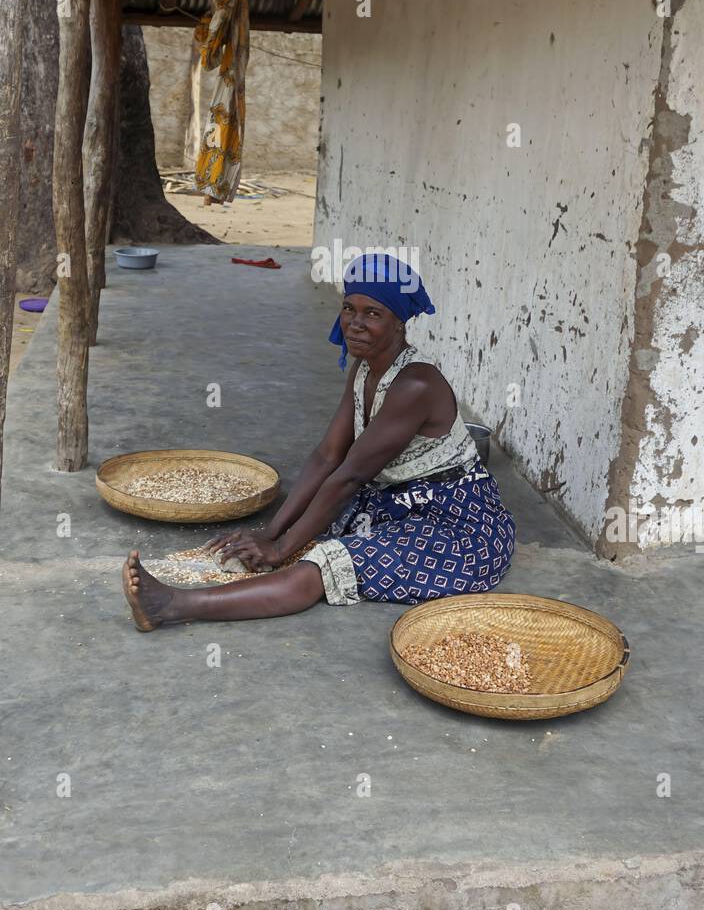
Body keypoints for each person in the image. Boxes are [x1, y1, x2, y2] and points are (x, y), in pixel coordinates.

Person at [122, 254, 515, 631]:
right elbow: (328, 455)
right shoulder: (364, 369)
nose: (355, 324)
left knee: (323, 562)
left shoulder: (415, 385)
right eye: (349, 309)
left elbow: (350, 475)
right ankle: (267, 558)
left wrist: (280, 549)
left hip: (455, 525)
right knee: (310, 528)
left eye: (373, 313)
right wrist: (273, 533)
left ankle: (172, 606)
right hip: (395, 500)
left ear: (400, 323)